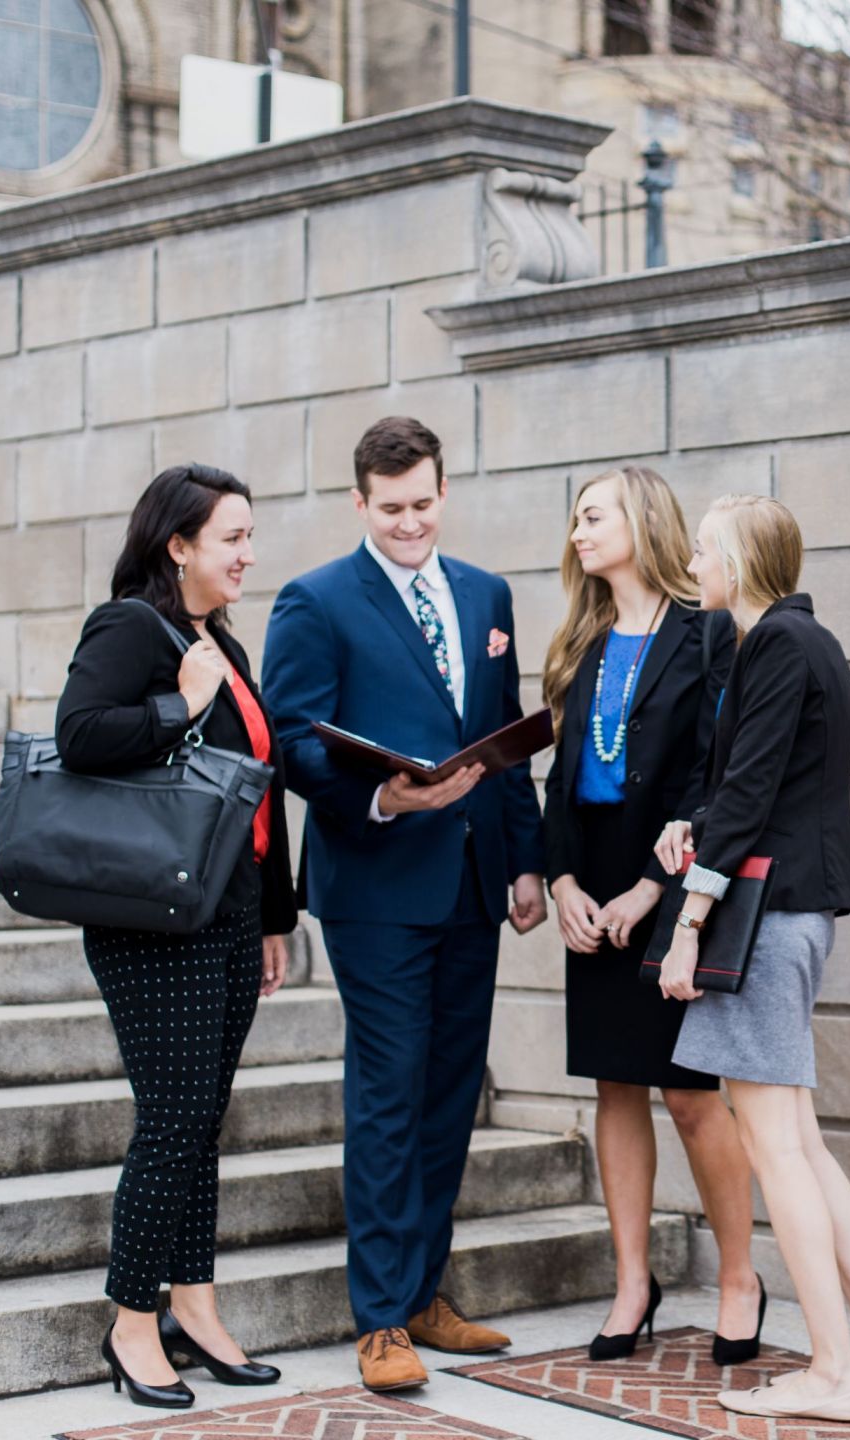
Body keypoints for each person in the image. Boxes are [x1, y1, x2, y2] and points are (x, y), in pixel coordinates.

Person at [259, 416, 548, 1395]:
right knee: (389, 1094)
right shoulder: (315, 601)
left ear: (442, 491)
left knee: (449, 1092)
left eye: (424, 504)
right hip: (376, 884)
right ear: (359, 503)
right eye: (392, 510)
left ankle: (426, 1294)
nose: (411, 523)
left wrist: (524, 863)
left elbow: (503, 737)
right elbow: (292, 742)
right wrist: (383, 795)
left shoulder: (485, 594)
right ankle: (381, 1318)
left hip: (475, 883)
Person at [653, 495, 850, 1424]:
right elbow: (756, 784)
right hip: (795, 911)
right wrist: (701, 820)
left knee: (774, 1145)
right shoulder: (807, 645)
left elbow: (753, 791)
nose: (692, 563)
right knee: (797, 1140)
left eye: (703, 550)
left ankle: (833, 1371)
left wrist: (688, 924)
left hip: (766, 919)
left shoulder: (773, 646)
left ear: (737, 560)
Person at [55, 463, 295, 1411]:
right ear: (179, 545)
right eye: (231, 537)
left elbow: (257, 785)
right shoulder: (131, 628)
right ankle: (130, 1320)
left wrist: (275, 916)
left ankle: (194, 1304)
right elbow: (80, 734)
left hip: (227, 912)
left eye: (248, 535)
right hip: (153, 923)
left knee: (202, 1119)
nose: (247, 553)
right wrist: (180, 705)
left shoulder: (218, 639)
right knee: (173, 1120)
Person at [539, 466, 765, 1364]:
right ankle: (633, 1282)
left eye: (593, 516)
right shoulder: (581, 640)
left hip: (669, 872)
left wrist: (651, 890)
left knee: (690, 1090)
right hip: (589, 874)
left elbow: (706, 777)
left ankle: (741, 1277)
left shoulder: (706, 633)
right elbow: (560, 779)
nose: (578, 533)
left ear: (642, 518)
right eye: (575, 520)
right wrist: (559, 879)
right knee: (613, 1086)